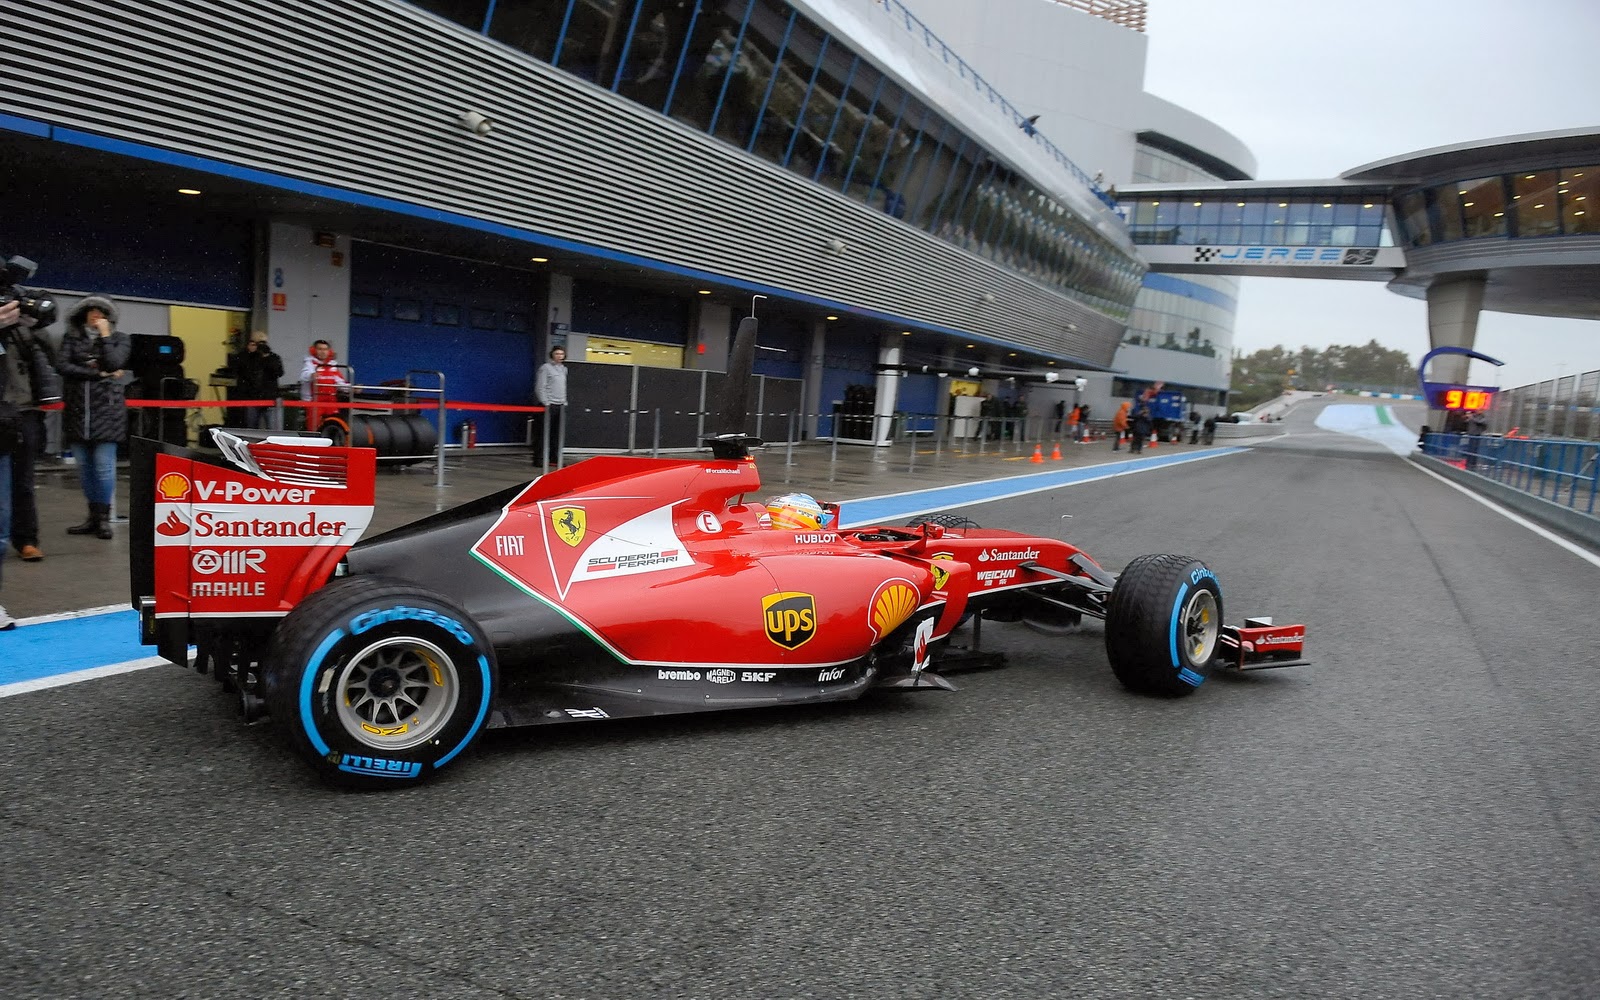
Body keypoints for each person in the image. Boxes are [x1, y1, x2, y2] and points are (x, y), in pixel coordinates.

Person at [58, 295, 131, 540]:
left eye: (101, 311)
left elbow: (114, 363)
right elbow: (62, 366)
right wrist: (98, 374)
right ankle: (91, 517)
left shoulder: (121, 339)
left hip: (107, 414)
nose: (96, 315)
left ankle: (103, 518)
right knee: (85, 469)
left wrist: (105, 336)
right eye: (92, 311)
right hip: (78, 412)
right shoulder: (72, 338)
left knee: (103, 468)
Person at [2, 298, 62, 563]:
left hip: (22, 409)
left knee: (23, 481)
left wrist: (35, 324)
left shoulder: (23, 327)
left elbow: (52, 357)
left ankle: (26, 539)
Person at [230, 330, 284, 429]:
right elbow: (239, 371)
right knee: (251, 428)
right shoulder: (245, 357)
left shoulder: (273, 357)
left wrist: (266, 356)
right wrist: (249, 353)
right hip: (252, 398)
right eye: (255, 343)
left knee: (274, 429)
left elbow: (279, 372)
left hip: (270, 398)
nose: (259, 346)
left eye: (262, 343)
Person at [299, 339, 347, 432]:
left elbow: (340, 383)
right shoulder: (310, 364)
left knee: (334, 424)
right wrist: (312, 375)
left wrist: (351, 388)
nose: (323, 352)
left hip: (330, 402)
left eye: (325, 349)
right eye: (320, 349)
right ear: (314, 350)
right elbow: (303, 376)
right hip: (314, 402)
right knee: (313, 428)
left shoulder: (332, 366)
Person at [534, 345, 568, 467]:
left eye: (561, 354)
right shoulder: (546, 368)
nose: (559, 356)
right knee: (543, 433)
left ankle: (554, 457)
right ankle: (539, 458)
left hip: (560, 404)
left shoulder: (564, 369)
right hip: (548, 405)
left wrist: (564, 401)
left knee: (556, 434)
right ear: (552, 355)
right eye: (557, 354)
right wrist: (546, 402)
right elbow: (540, 386)